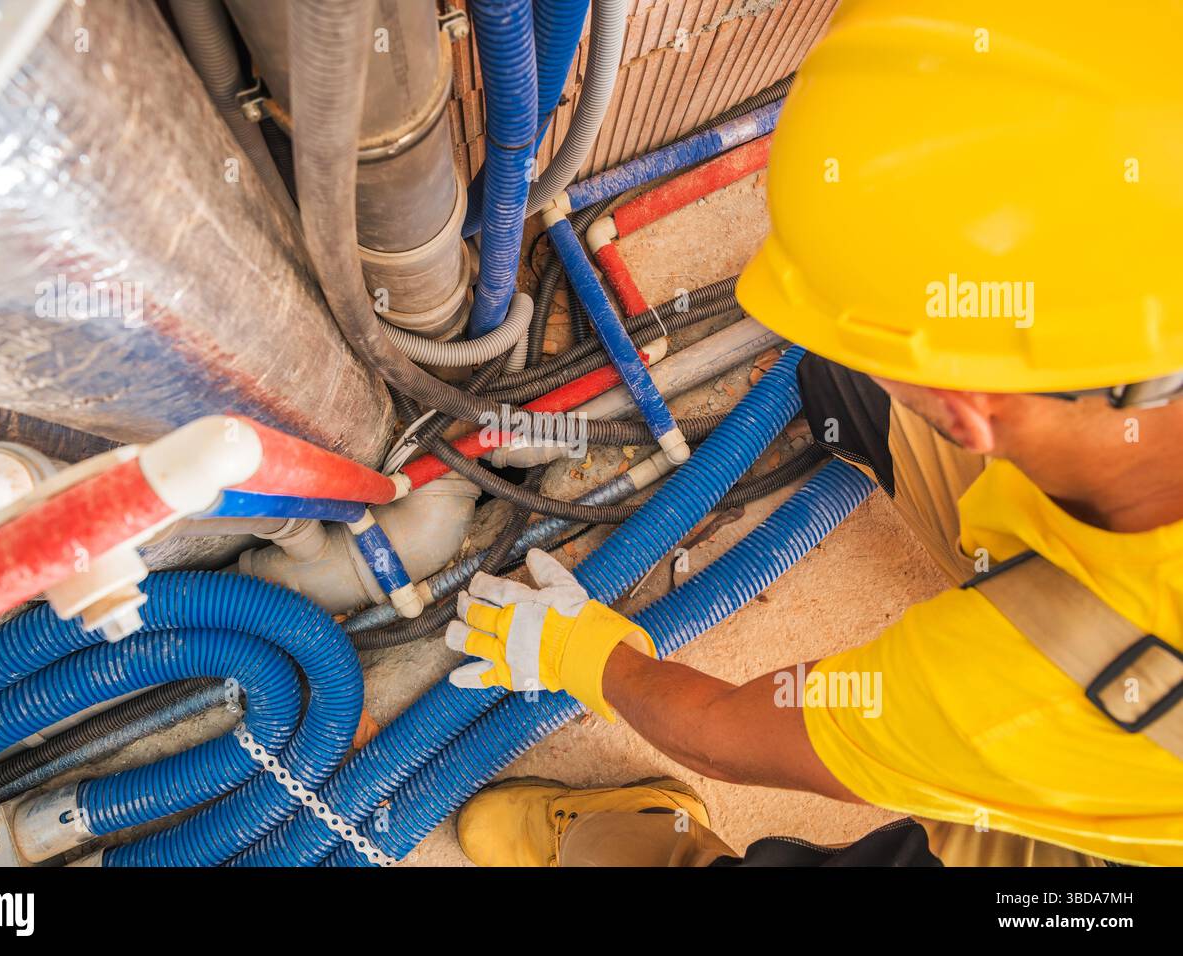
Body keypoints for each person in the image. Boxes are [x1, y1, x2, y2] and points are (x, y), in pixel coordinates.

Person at [444, 0, 1183, 867]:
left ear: (972, 410)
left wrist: (582, 652)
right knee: (839, 385)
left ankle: (645, 836)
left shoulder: (1016, 696)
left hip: (1122, 831)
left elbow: (722, 736)